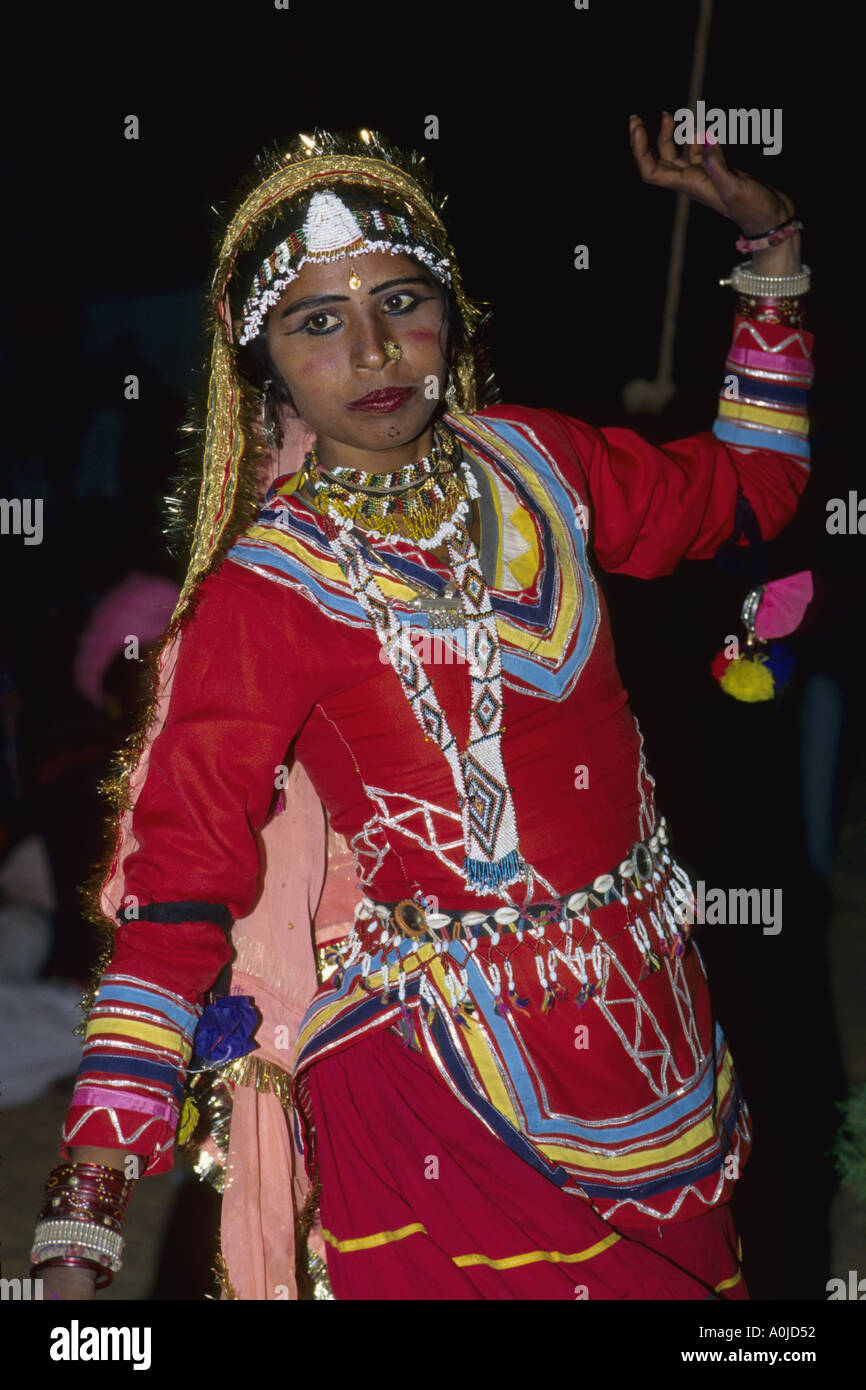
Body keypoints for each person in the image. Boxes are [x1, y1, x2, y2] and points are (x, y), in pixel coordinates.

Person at [30, 118, 812, 1300]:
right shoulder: (266, 593)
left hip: (651, 1024)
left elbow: (753, 490)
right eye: (318, 322)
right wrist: (93, 1187)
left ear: (451, 314)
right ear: (264, 365)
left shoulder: (543, 467)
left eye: (401, 300)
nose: (375, 349)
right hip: (435, 1073)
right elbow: (183, 874)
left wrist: (766, 247)